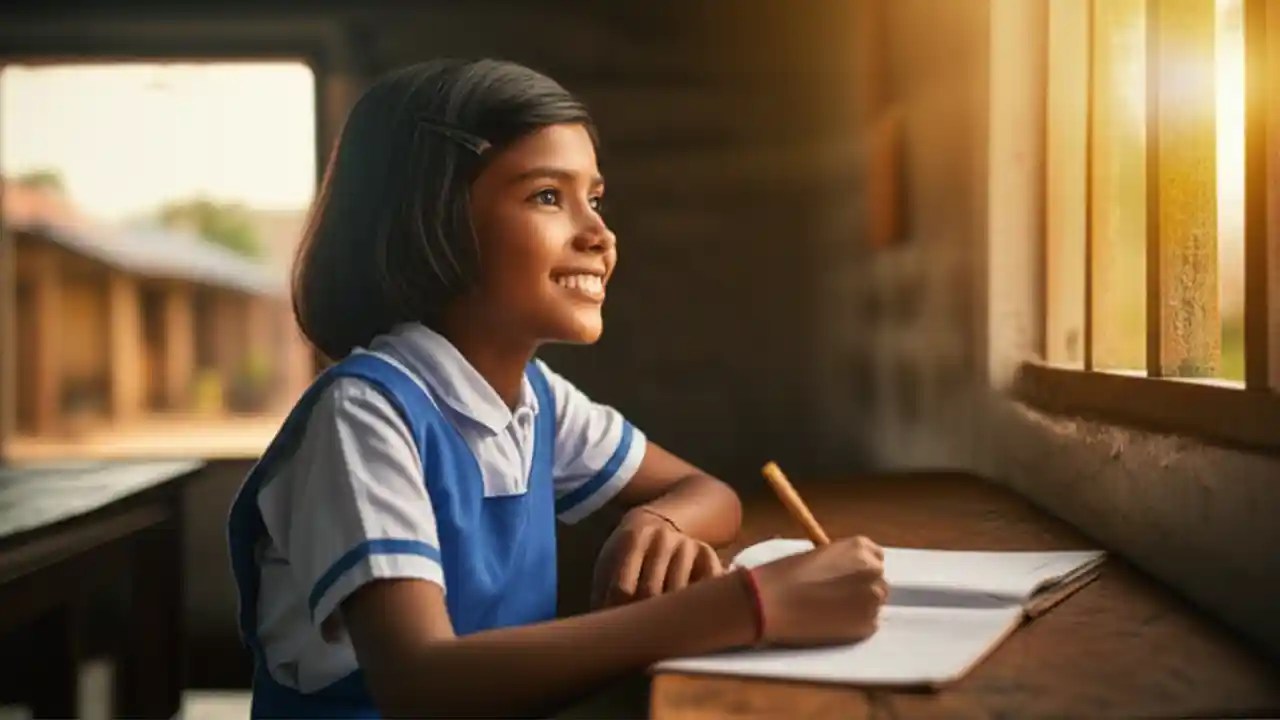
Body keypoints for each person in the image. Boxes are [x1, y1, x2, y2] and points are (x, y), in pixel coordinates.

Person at [227, 58, 887, 718]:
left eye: (593, 199)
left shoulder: (532, 399)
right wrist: (749, 606)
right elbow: (421, 681)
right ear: (431, 217)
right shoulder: (364, 416)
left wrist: (654, 521)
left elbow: (707, 493)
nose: (600, 235)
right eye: (548, 196)